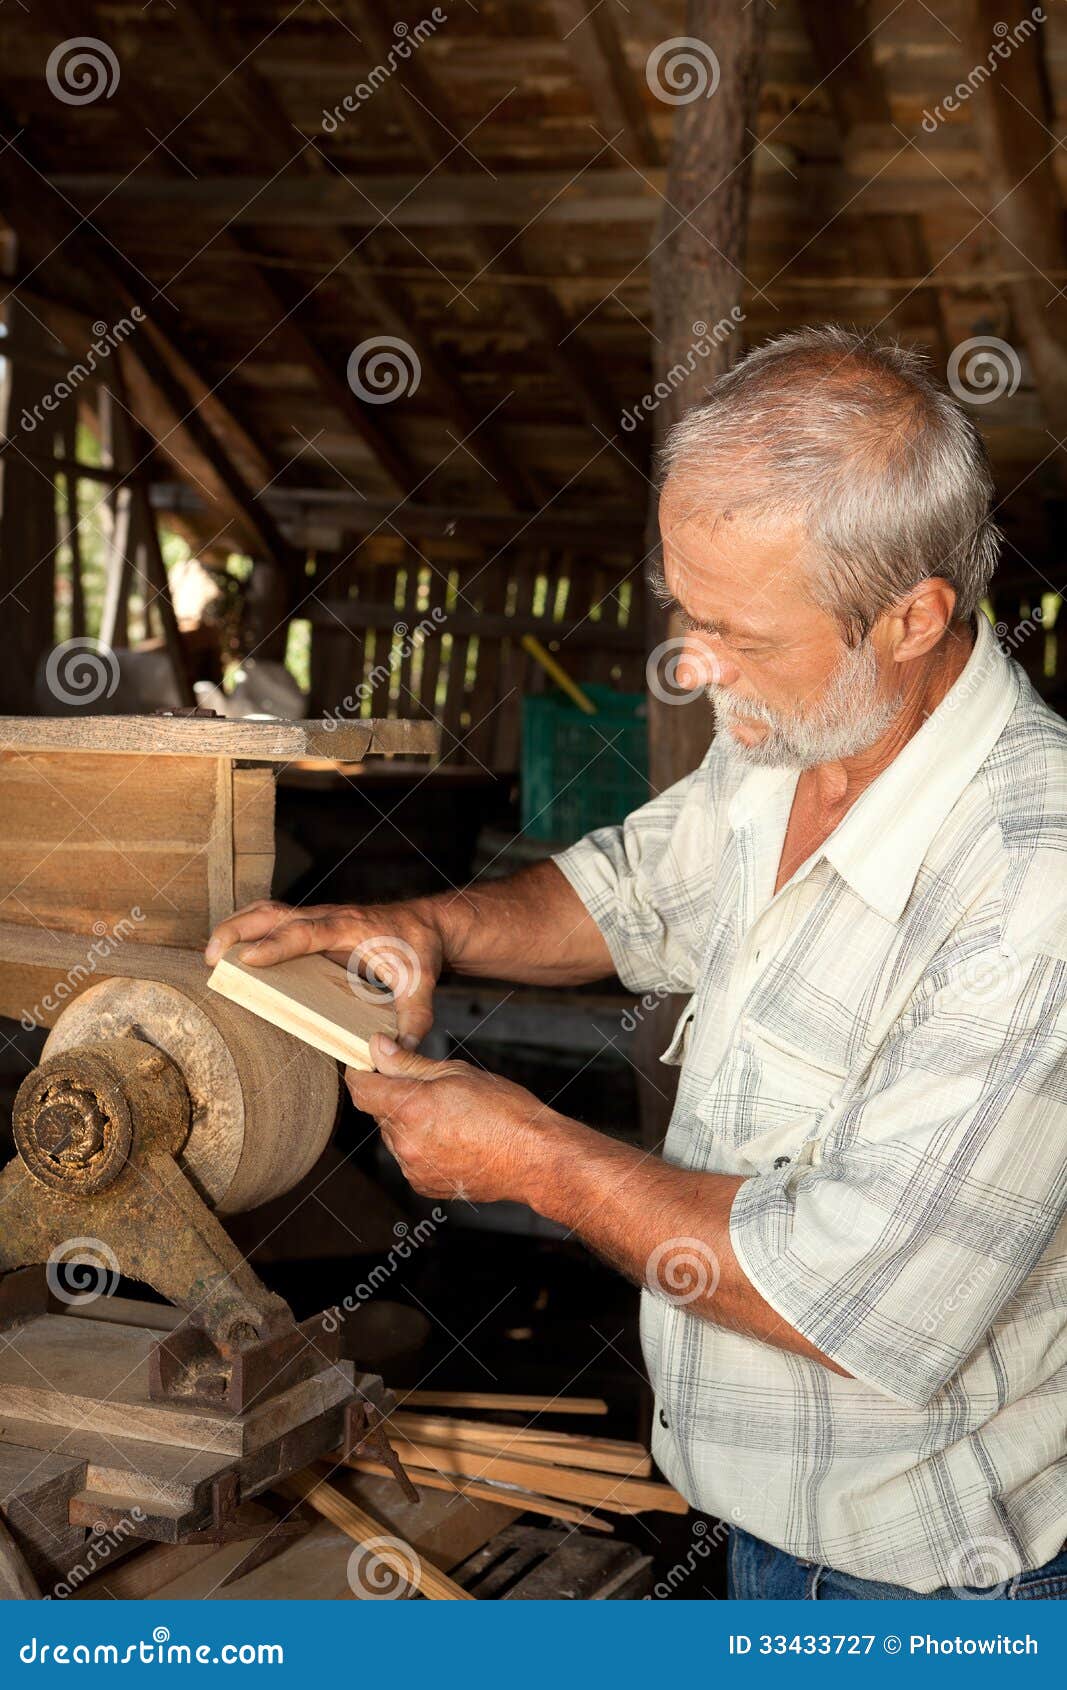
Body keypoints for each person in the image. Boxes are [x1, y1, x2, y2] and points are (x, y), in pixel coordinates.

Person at [206, 327, 1067, 1600]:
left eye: (740, 633)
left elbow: (853, 1297)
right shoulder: (796, 726)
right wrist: (425, 926)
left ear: (912, 617)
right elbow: (626, 891)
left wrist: (535, 1161)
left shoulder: (1029, 885)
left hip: (928, 1580)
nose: (696, 663)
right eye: (685, 608)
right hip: (759, 1519)